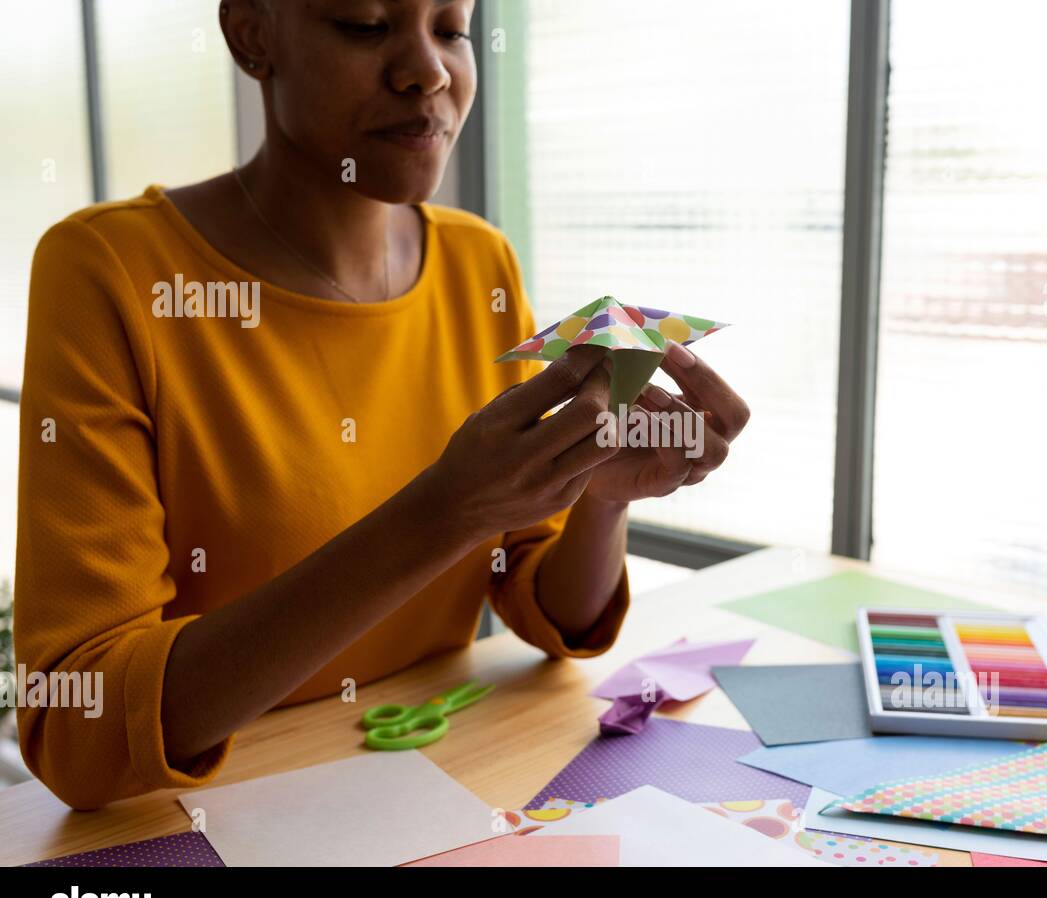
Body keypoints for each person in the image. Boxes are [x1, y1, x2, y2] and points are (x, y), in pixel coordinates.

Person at [14, 0, 749, 809]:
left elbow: (547, 608)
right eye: (365, 25)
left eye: (452, 28)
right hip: (211, 823)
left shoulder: (478, 260)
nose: (428, 71)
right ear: (252, 35)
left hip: (434, 794)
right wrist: (441, 514)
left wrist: (601, 495)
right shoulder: (110, 272)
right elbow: (73, 731)